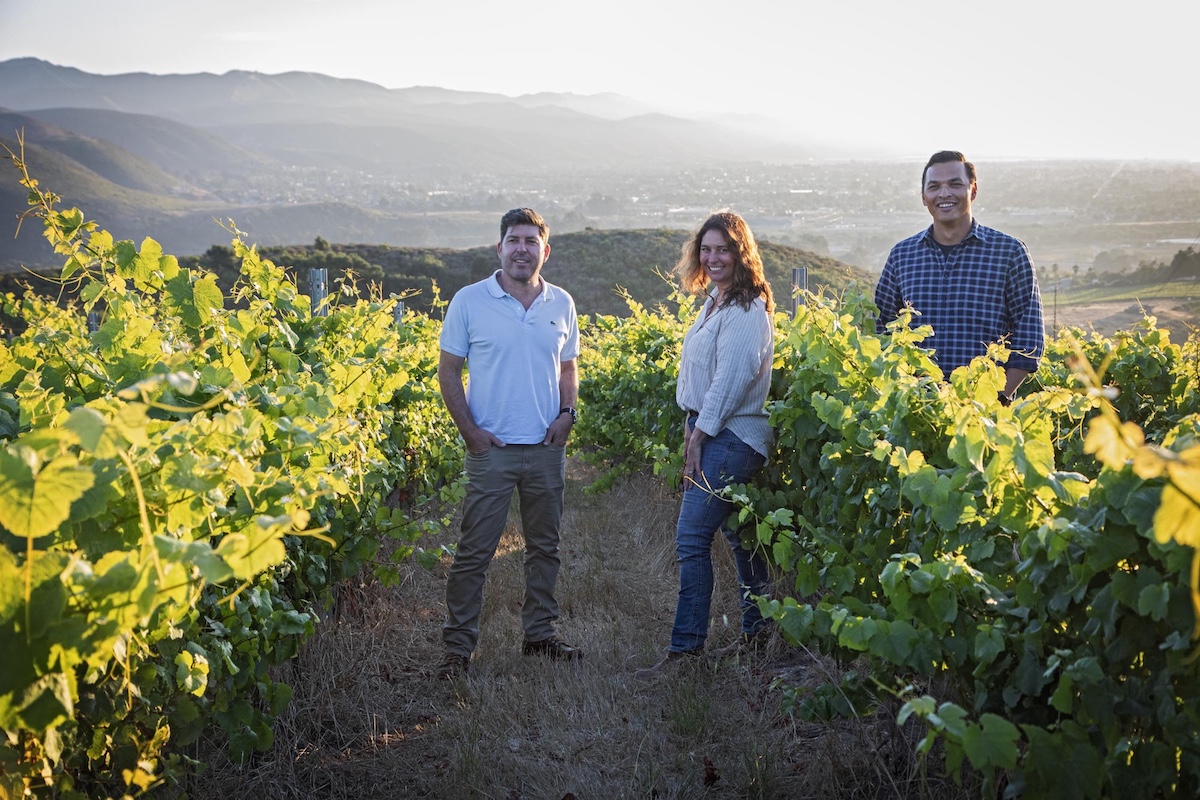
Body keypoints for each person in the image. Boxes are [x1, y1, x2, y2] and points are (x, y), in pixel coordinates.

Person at [437, 207, 581, 679]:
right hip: (491, 450)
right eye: (514, 240)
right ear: (499, 248)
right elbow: (448, 371)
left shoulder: (561, 303)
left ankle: (539, 635)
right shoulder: (469, 301)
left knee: (545, 548)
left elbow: (568, 367)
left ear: (545, 250)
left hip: (545, 448)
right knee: (474, 552)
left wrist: (567, 415)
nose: (522, 249)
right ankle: (458, 649)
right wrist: (471, 433)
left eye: (531, 241)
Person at [636, 211, 776, 680]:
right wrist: (690, 426)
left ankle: (686, 653)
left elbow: (730, 382)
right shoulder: (717, 300)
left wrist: (699, 435)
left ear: (741, 253)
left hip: (733, 436)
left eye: (724, 249)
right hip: (711, 428)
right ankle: (759, 635)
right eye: (707, 249)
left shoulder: (746, 309)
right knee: (739, 537)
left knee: (692, 537)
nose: (714, 258)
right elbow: (701, 379)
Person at [874, 150, 1045, 403]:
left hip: (985, 414)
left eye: (955, 184)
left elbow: (1029, 338)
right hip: (916, 411)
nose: (944, 194)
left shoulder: (1009, 252)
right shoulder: (902, 255)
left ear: (973, 191)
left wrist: (993, 401)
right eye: (934, 187)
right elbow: (882, 331)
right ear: (923, 197)